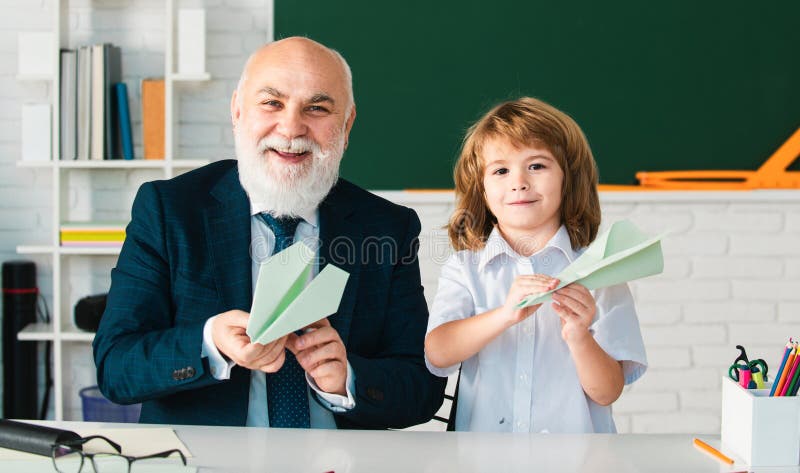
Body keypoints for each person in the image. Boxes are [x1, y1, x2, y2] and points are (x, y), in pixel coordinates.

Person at [93, 37, 446, 429]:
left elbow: (423, 387)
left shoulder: (388, 228)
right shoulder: (168, 209)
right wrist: (209, 344)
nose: (292, 127)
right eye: (272, 103)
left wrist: (348, 379)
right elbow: (115, 366)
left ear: (346, 124)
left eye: (317, 108)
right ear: (238, 110)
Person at [424, 97, 647, 433]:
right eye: (500, 170)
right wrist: (503, 315)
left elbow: (607, 392)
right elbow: (438, 353)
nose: (519, 182)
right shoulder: (465, 268)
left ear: (567, 178)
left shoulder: (600, 271)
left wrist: (579, 336)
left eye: (537, 166)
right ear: (481, 189)